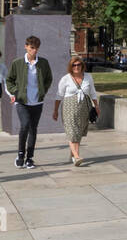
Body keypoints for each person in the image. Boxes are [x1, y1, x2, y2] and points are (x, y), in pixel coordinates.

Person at [6, 35, 53, 168]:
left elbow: (49, 78)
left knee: (33, 129)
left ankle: (29, 158)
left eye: (36, 48)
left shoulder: (43, 63)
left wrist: (43, 90)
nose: (34, 50)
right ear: (26, 46)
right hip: (22, 102)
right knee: (25, 125)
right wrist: (15, 91)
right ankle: (20, 154)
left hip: (37, 102)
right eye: (32, 47)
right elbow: (9, 80)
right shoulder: (17, 63)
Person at [53, 56, 98, 165]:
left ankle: (73, 154)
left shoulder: (88, 77)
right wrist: (56, 111)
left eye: (78, 65)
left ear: (82, 66)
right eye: (74, 65)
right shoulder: (66, 79)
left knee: (78, 132)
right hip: (69, 107)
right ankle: (77, 156)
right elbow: (59, 95)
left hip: (84, 107)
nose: (76, 67)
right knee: (72, 131)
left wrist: (96, 106)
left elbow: (92, 92)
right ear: (70, 66)